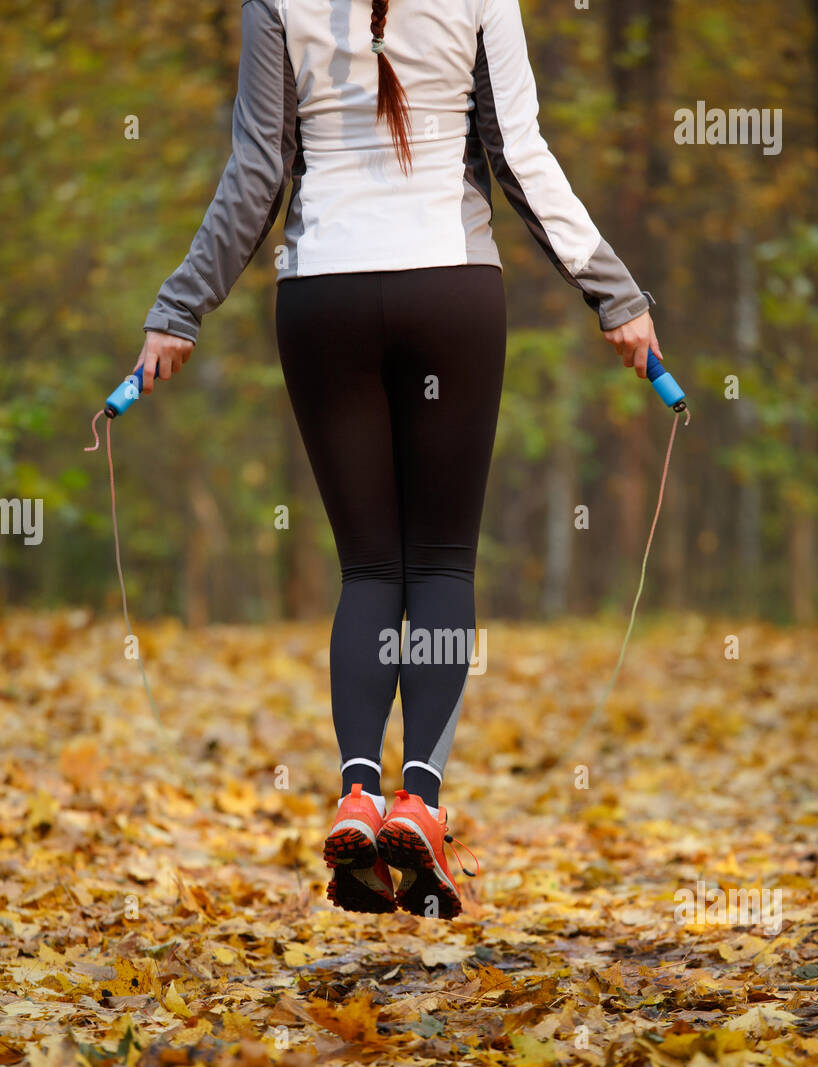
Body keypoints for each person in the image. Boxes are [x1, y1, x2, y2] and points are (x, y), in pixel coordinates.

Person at [138, 0, 661, 920]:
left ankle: (356, 793)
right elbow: (519, 156)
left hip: (323, 298)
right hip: (449, 292)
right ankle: (419, 800)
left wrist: (180, 309)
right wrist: (613, 295)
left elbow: (257, 173)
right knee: (443, 567)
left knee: (370, 569)